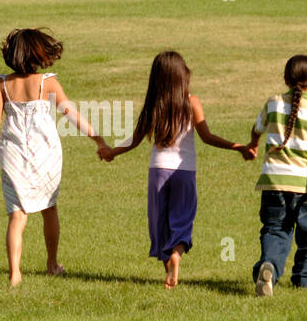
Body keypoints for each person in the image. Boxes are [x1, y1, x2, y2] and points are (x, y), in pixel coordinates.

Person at [101, 50, 250, 288]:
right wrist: (238, 147)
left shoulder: (153, 105)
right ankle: (176, 254)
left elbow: (136, 138)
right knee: (182, 218)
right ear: (183, 76)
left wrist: (112, 152)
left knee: (159, 222)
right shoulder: (192, 102)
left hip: (158, 170)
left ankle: (167, 265)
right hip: (185, 171)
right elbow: (207, 136)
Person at [0, 28, 108, 285]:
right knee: (49, 208)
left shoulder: (2, 84)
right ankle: (52, 263)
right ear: (38, 54)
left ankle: (14, 274)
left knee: (17, 215)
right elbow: (71, 113)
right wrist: (98, 139)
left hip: (13, 154)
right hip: (45, 153)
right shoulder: (48, 82)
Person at [245, 54, 307, 296]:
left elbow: (257, 128)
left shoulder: (273, 104)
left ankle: (269, 266)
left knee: (275, 228)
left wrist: (253, 145)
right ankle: (303, 277)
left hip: (272, 181)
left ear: (285, 79)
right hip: (304, 186)